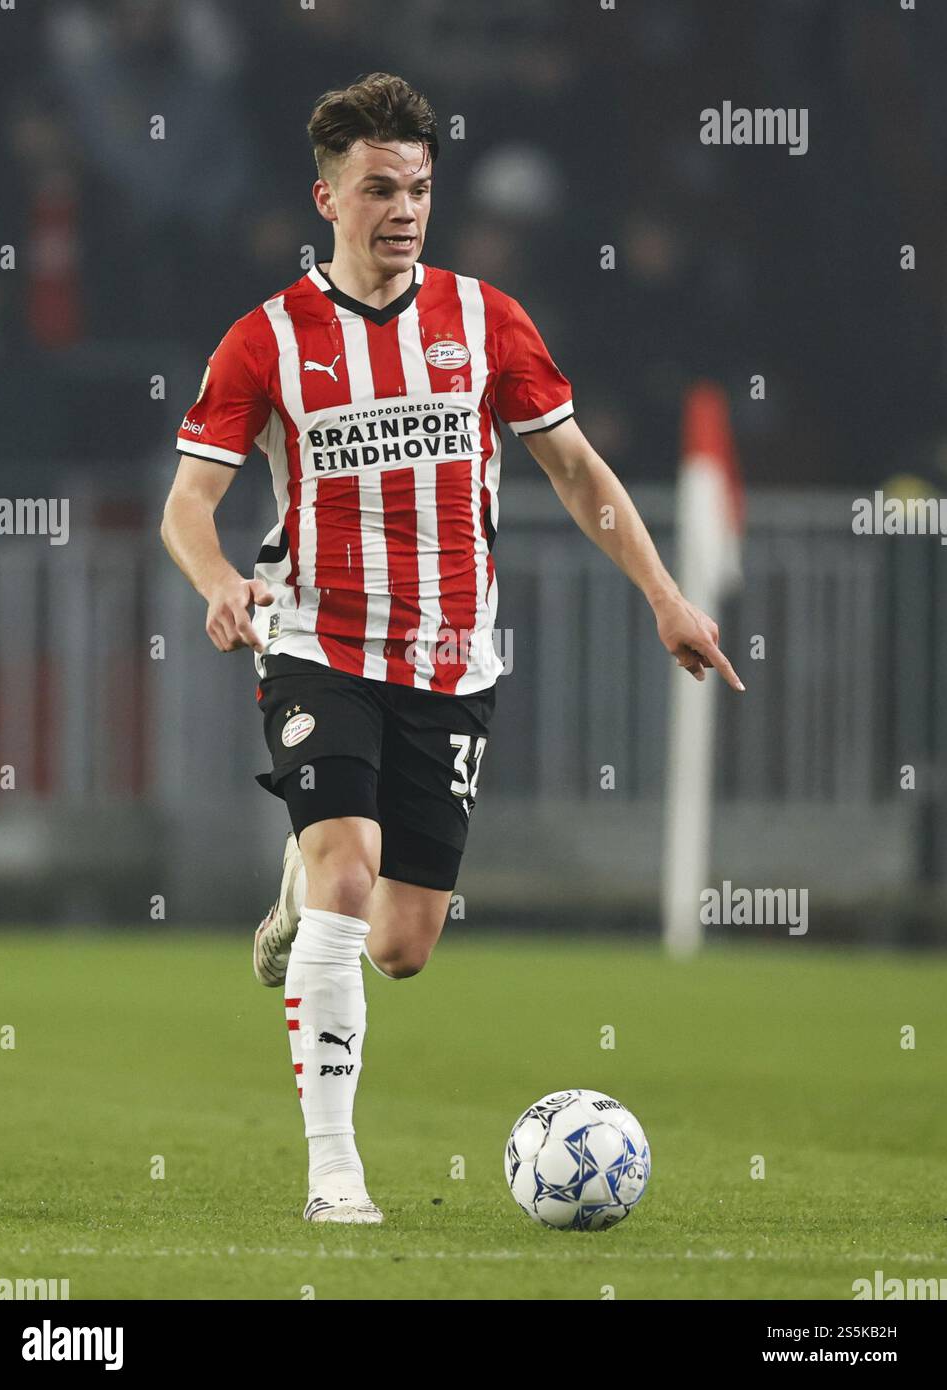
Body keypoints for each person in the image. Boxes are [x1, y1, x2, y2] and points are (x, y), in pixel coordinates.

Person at [160, 72, 743, 1226]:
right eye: (378, 188)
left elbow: (576, 471)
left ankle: (301, 902)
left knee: (405, 943)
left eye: (419, 187)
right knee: (345, 866)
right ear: (324, 196)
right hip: (316, 639)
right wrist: (222, 580)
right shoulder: (267, 341)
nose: (403, 210)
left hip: (451, 660)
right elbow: (191, 500)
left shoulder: (487, 322)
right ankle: (337, 1177)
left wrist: (667, 596)